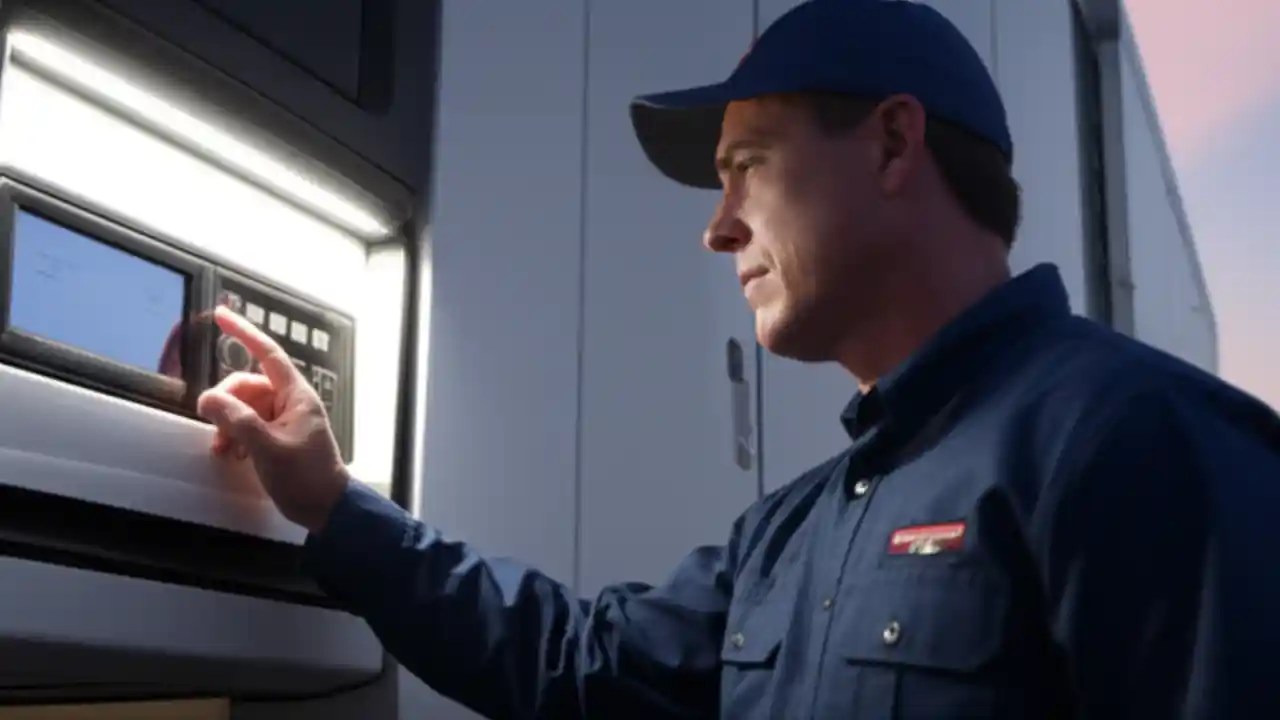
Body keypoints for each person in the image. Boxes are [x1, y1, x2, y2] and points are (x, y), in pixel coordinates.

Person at [197, 1, 1280, 717]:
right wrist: (335, 504)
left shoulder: (1143, 444)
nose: (716, 228)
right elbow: (581, 666)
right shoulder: (791, 532)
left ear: (893, 145)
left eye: (745, 166)